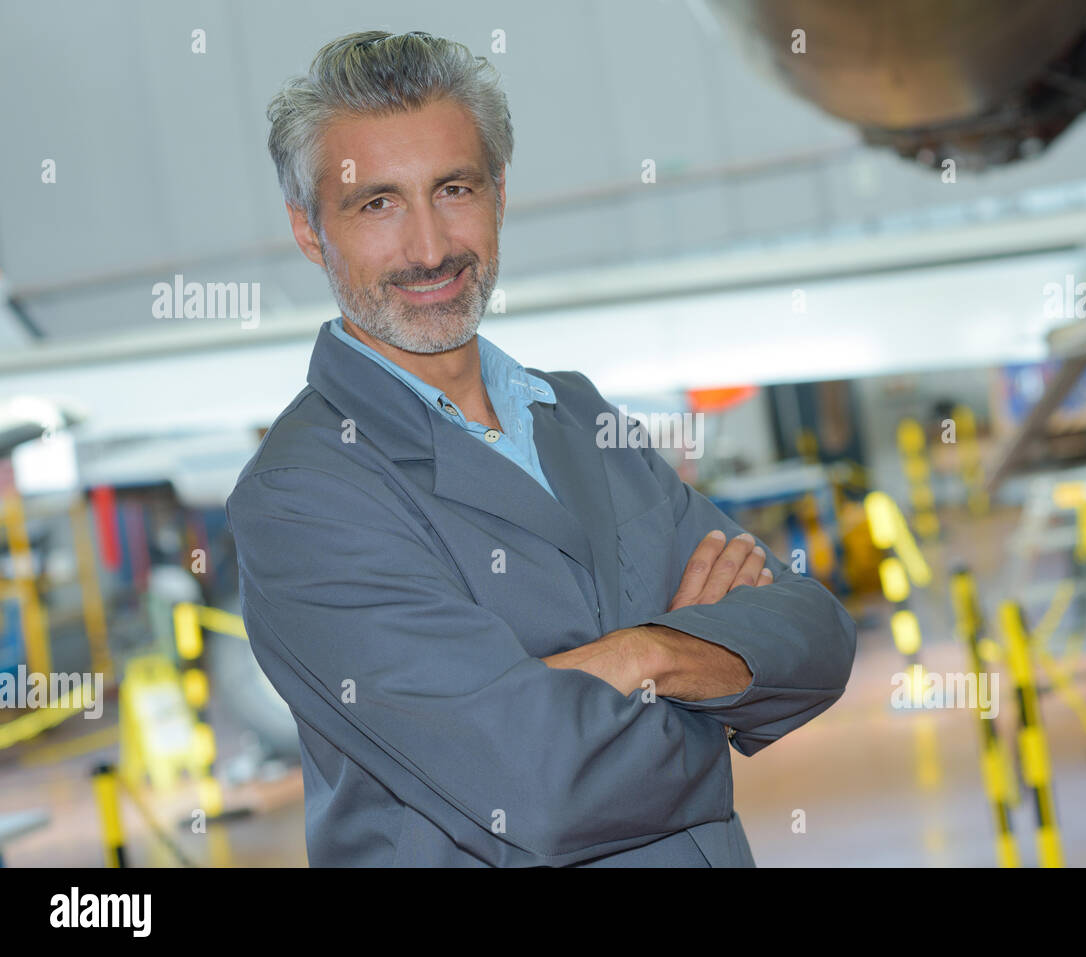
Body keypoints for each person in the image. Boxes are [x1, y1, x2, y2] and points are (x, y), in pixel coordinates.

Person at [226, 30, 857, 867]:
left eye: (454, 188)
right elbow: (533, 783)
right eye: (377, 203)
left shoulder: (575, 412)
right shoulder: (303, 495)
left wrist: (642, 652)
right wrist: (709, 673)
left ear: (498, 193)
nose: (428, 247)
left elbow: (814, 636)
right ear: (310, 231)